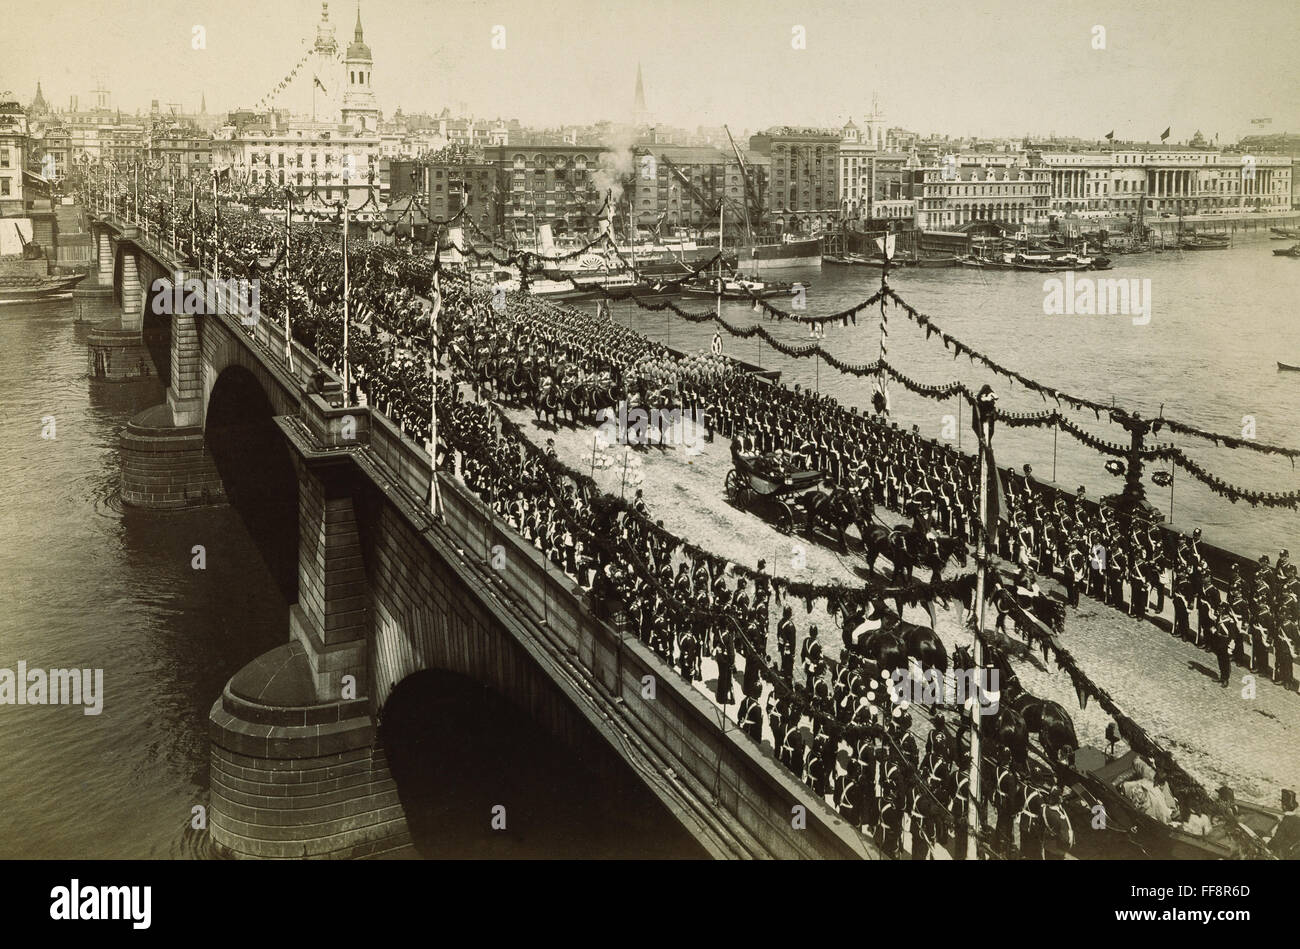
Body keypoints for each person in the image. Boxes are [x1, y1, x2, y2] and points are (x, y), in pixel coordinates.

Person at [1266, 789, 1300, 858]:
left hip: (1283, 855)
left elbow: (1277, 840)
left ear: (1284, 806)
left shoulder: (1286, 821)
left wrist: (1267, 845)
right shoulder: (1298, 819)